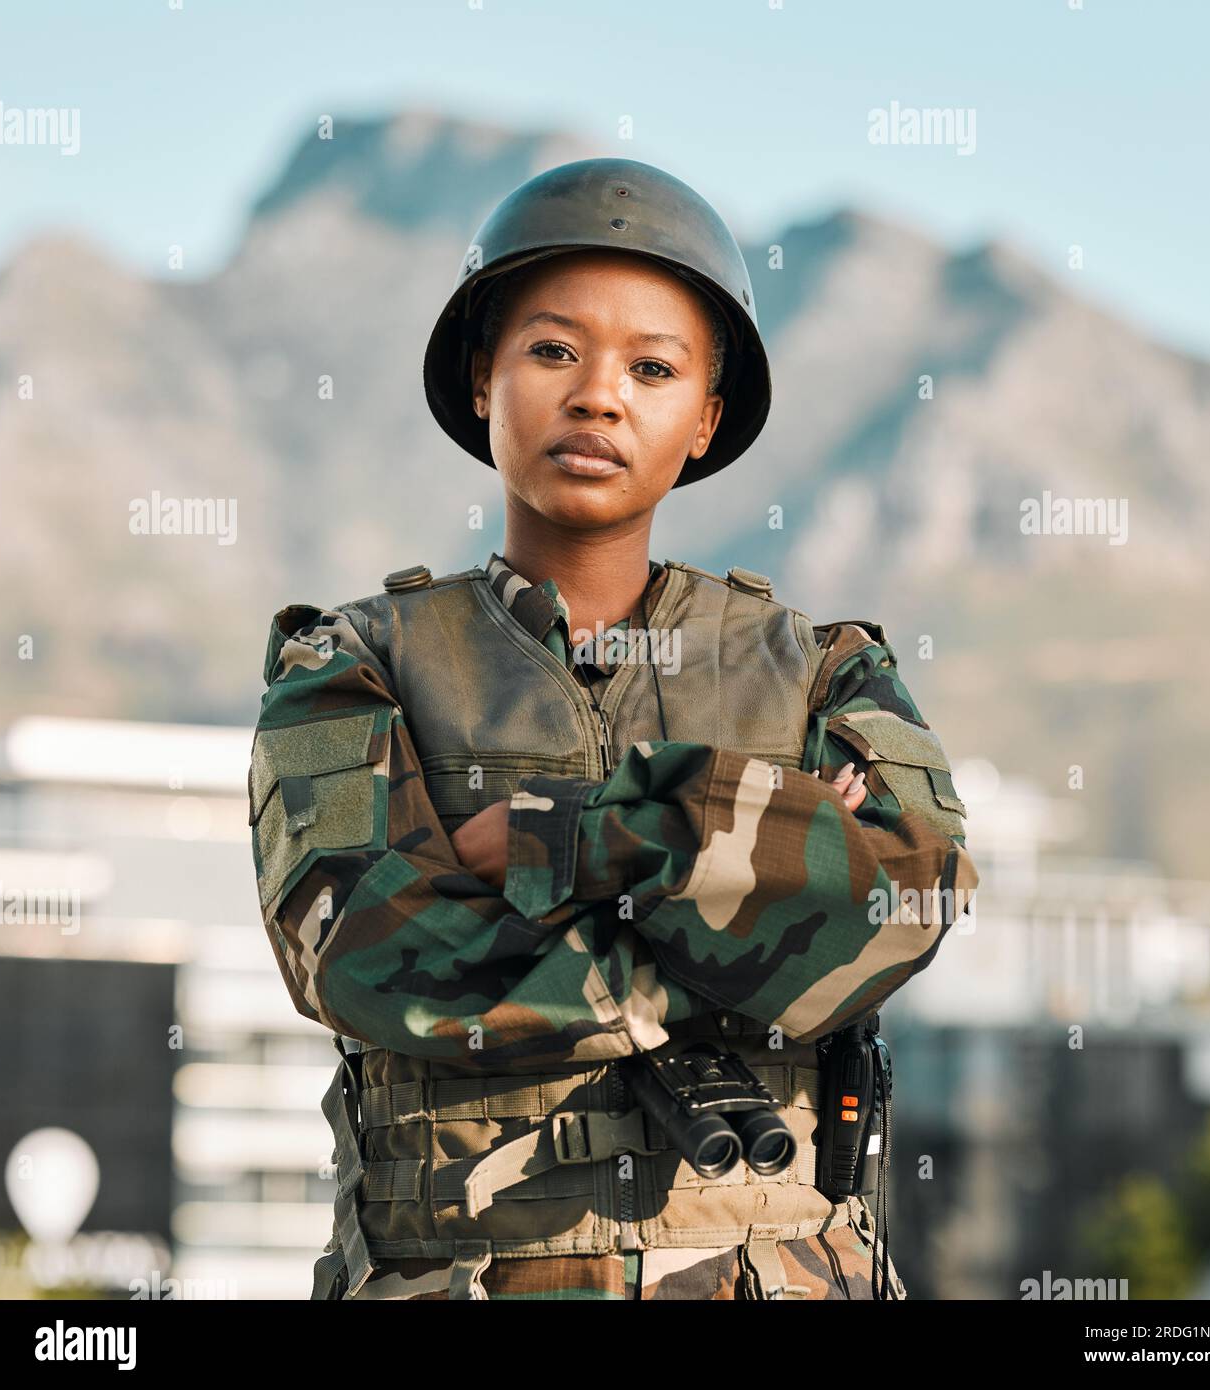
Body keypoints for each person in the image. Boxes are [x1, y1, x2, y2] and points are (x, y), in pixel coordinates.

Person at [248, 157, 980, 1300]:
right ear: (483, 379)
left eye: (652, 367)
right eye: (552, 351)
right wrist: (761, 900)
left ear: (704, 421)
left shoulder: (822, 670)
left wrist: (578, 837)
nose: (599, 396)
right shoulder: (349, 664)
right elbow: (378, 961)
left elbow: (911, 900)